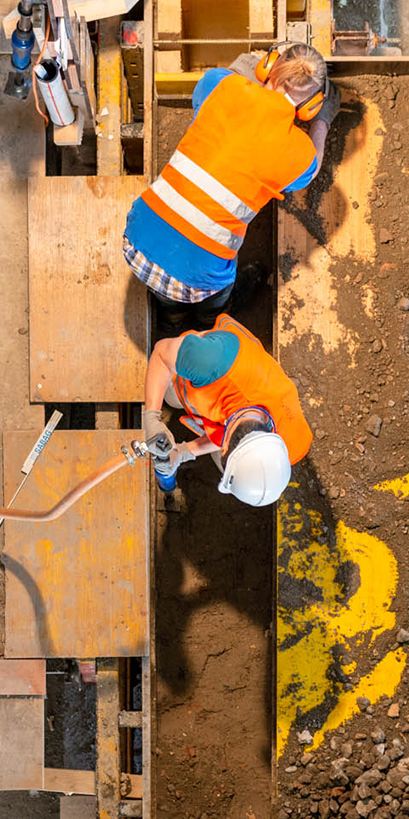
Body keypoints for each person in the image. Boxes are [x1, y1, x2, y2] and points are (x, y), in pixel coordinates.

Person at [122, 43, 341, 333]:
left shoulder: (219, 84)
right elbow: (310, 171)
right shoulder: (299, 155)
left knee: (171, 293)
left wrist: (247, 81)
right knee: (214, 291)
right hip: (197, 278)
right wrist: (322, 122)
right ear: (310, 107)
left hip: (137, 241)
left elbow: (212, 92)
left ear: (267, 65)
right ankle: (209, 320)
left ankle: (170, 318)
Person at [141, 314, 313, 508]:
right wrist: (152, 417)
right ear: (225, 448)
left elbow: (227, 438)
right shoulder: (209, 363)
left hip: (225, 394)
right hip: (213, 358)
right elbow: (162, 353)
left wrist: (182, 452)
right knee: (171, 397)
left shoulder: (292, 444)